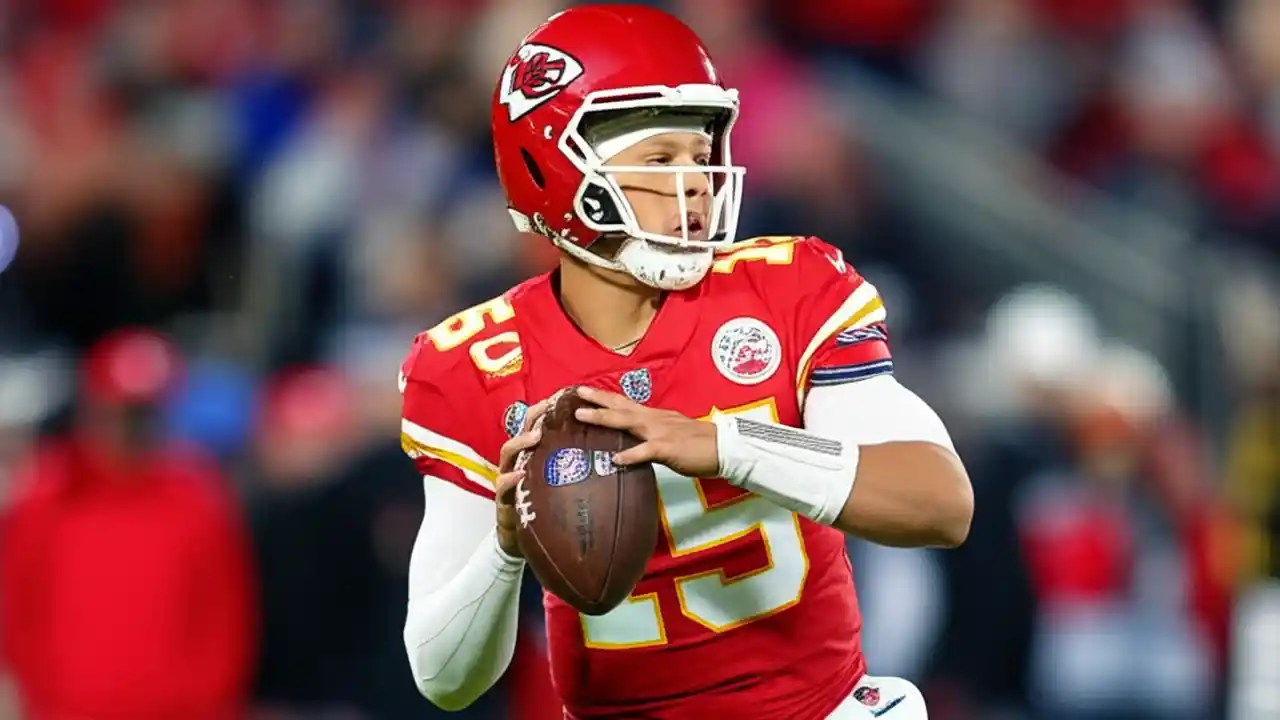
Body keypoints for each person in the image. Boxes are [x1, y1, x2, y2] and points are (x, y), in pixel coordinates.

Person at [397, 6, 973, 719]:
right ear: (551, 166)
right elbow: (443, 678)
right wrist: (506, 549)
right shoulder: (475, 364)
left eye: (700, 157)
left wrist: (723, 443)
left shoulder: (787, 287)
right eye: (661, 159)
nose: (697, 183)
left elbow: (940, 502)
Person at [0, 328, 256, 720]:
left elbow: (225, 622)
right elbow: (16, 608)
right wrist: (43, 697)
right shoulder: (49, 497)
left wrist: (205, 703)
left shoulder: (196, 499)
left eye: (146, 413)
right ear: (93, 408)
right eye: (123, 411)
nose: (133, 428)